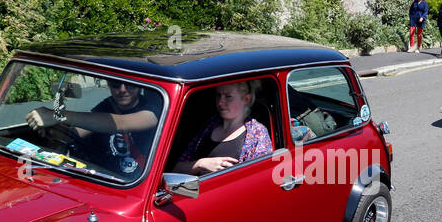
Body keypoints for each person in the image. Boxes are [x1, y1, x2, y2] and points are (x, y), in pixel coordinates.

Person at [26, 77, 161, 175]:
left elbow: (119, 123)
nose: (123, 90)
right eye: (115, 84)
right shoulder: (106, 106)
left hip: (138, 183)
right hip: (104, 176)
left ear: (139, 85)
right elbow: (77, 131)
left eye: (130, 85)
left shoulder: (153, 109)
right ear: (109, 84)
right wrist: (52, 130)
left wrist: (57, 115)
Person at [176, 79, 274, 174]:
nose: (220, 102)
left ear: (246, 99)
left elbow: (261, 177)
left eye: (228, 96)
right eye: (218, 95)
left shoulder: (257, 133)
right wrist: (200, 164)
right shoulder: (210, 126)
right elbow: (177, 168)